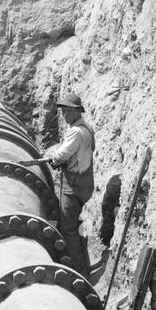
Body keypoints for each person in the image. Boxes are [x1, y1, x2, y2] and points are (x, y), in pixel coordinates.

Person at [41, 91, 96, 279]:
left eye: (68, 111)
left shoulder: (76, 132)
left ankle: (79, 272)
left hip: (73, 187)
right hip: (84, 184)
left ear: (78, 111)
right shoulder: (86, 129)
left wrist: (53, 159)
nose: (64, 114)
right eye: (62, 111)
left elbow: (62, 155)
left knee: (68, 229)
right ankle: (84, 265)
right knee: (76, 226)